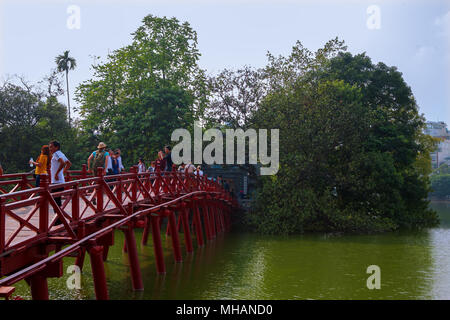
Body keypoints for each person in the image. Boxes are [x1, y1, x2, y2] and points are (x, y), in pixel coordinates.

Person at [49, 140, 71, 207]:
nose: (50, 149)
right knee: (57, 201)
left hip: (56, 182)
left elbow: (63, 163)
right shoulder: (61, 153)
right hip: (60, 181)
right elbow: (69, 164)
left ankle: (58, 217)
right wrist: (62, 173)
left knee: (55, 202)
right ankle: (59, 216)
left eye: (51, 147)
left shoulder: (56, 154)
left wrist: (57, 174)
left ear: (56, 147)